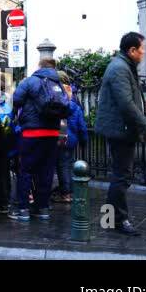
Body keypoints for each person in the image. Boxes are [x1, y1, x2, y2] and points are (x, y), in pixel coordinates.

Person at [95, 32, 146, 236]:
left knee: (119, 176)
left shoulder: (123, 66)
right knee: (121, 177)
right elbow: (125, 104)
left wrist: (144, 105)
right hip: (120, 130)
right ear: (132, 50)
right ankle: (119, 220)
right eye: (142, 49)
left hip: (120, 129)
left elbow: (128, 100)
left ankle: (109, 220)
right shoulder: (119, 68)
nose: (144, 53)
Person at [10, 58, 69, 222]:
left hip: (31, 133)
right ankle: (42, 208)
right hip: (52, 133)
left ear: (40, 66)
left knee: (26, 170)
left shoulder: (30, 82)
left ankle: (23, 209)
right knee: (47, 170)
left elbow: (16, 100)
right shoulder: (59, 85)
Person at [54, 71, 88, 203]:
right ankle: (68, 190)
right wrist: (84, 139)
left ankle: (66, 193)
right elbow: (81, 124)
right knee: (67, 164)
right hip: (72, 136)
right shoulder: (74, 97)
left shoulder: (57, 94)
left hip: (61, 134)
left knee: (61, 165)